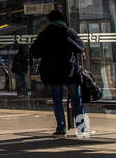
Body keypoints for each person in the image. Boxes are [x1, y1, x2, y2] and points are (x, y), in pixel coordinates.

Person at [30, 9, 87, 137]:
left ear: (49, 20)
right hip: (71, 72)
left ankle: (61, 128)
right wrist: (67, 40)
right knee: (77, 101)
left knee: (57, 101)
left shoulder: (45, 34)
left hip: (53, 73)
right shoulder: (69, 32)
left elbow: (34, 52)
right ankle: (82, 129)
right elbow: (80, 48)